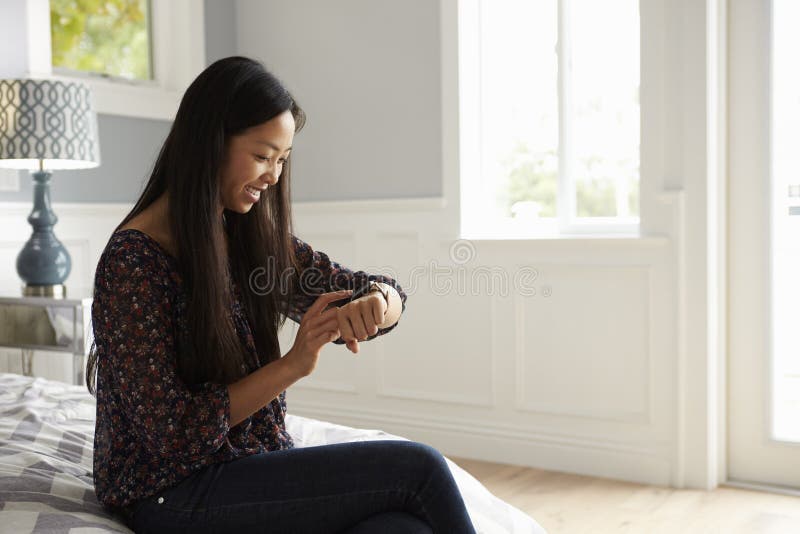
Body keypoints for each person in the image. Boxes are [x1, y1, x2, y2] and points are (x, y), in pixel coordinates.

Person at [86, 56, 477, 534]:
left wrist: (376, 301)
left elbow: (378, 290)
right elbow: (175, 434)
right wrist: (292, 365)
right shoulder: (134, 261)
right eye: (261, 155)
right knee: (419, 469)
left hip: (246, 467)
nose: (272, 176)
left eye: (282, 160)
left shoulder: (245, 236)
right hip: (170, 492)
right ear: (209, 142)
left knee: (403, 529)